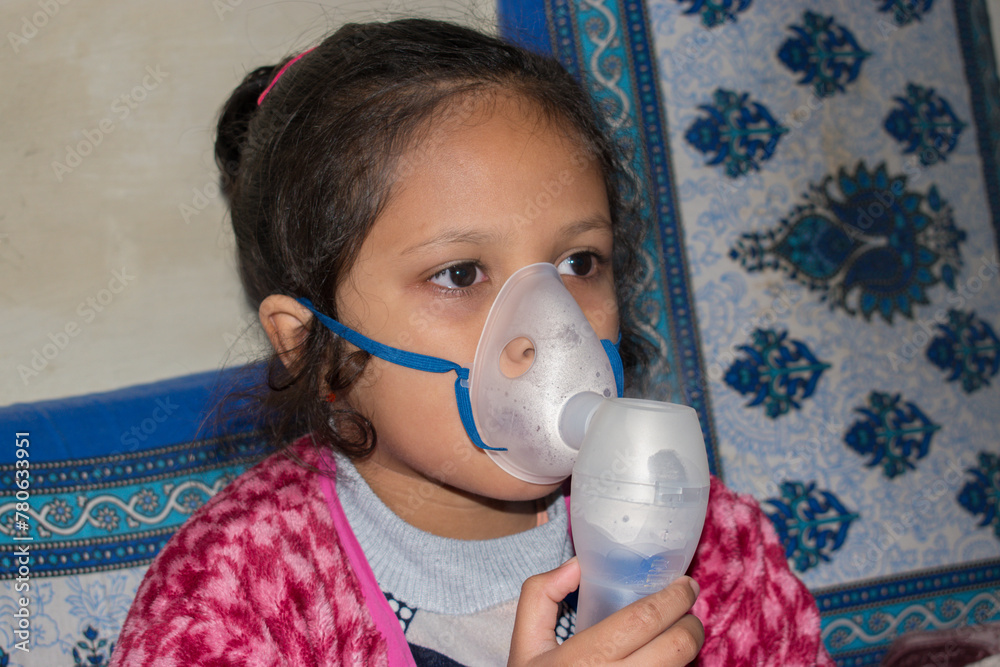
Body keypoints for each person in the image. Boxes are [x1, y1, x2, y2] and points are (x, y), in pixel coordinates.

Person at [111, 18, 833, 666]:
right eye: (460, 273)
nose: (550, 329)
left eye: (579, 263)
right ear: (310, 344)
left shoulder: (706, 545)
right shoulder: (236, 591)